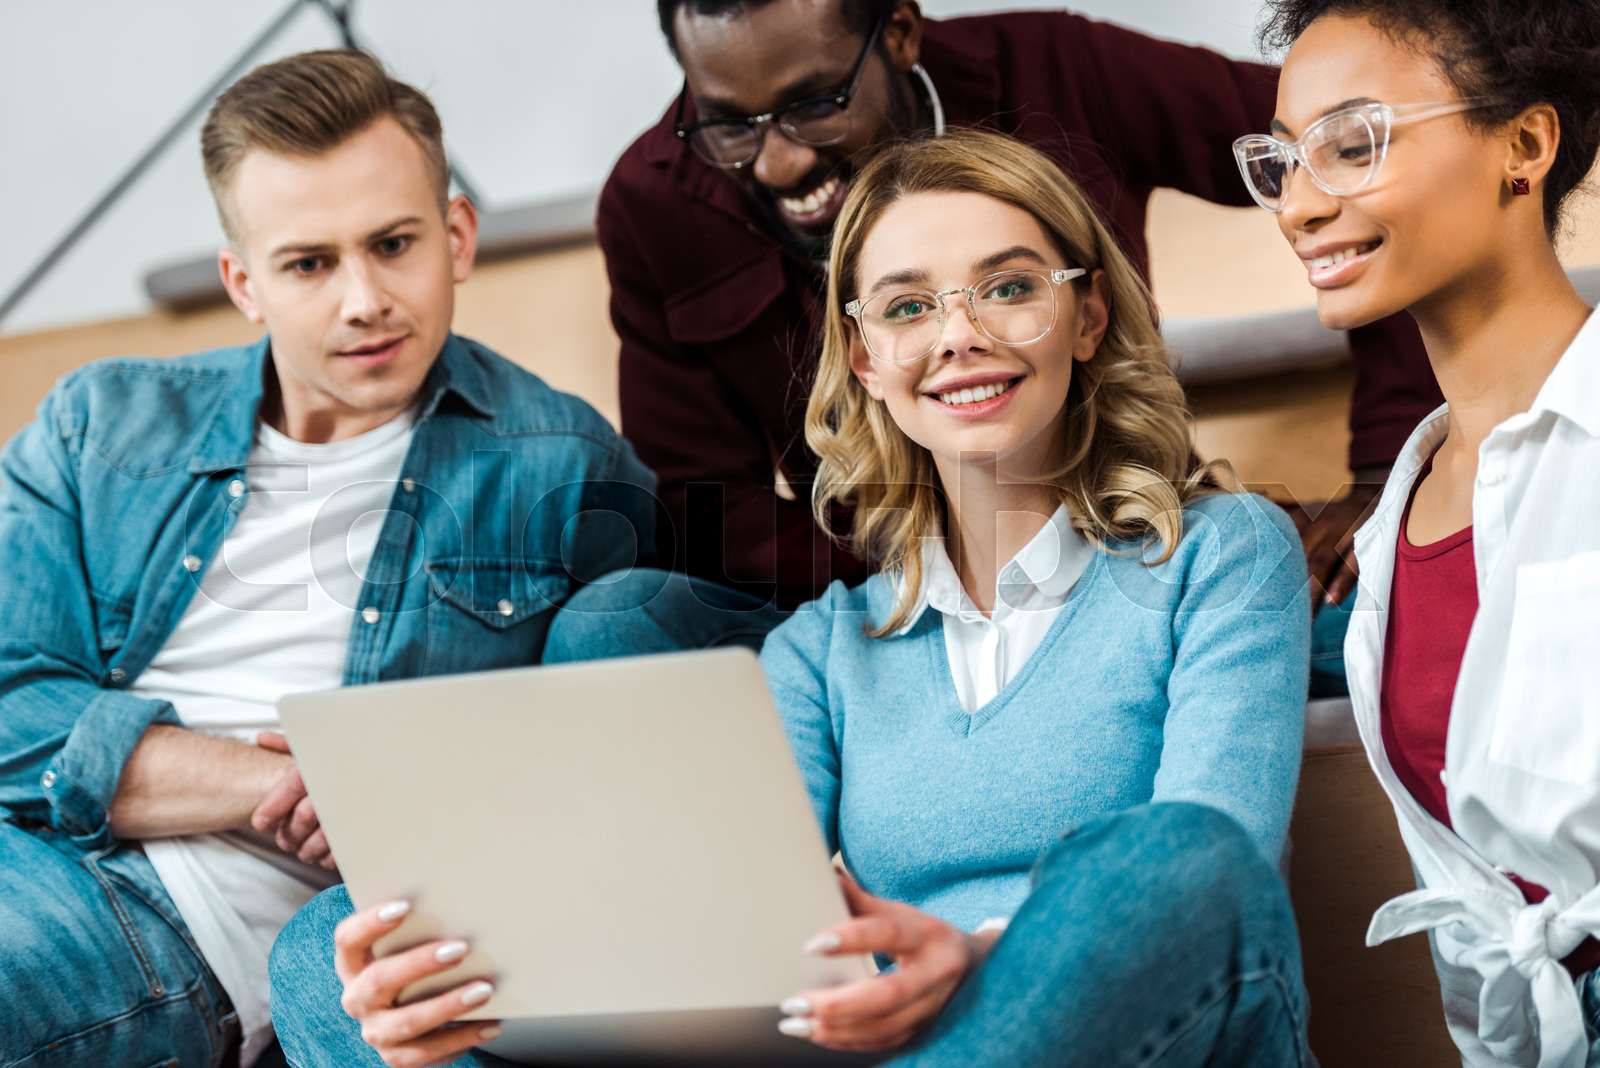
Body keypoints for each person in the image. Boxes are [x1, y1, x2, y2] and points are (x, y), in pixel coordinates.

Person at [268, 128, 1313, 1068]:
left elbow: (1216, 870)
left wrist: (976, 957)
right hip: (872, 1053)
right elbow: (731, 946)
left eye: (1006, 288)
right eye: (907, 306)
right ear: (862, 360)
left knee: (1166, 856)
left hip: (1124, 1037)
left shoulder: (1218, 557)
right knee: (335, 950)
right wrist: (462, 999)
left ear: (1086, 316)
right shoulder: (823, 651)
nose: (957, 335)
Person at [0, 50, 654, 1067]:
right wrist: (308, 777)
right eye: (309, 263)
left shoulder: (562, 465)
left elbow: (627, 748)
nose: (365, 300)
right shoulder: (102, 422)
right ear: (243, 283)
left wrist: (407, 797)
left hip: (173, 922)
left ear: (457, 236)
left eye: (394, 244)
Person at [578, 0, 1441, 655]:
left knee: (1385, 624)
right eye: (728, 122)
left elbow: (1351, 156)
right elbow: (711, 512)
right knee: (618, 624)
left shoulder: (1065, 70)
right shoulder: (654, 203)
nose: (778, 160)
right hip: (876, 596)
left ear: (902, 32)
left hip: (1130, 554)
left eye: (816, 104)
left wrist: (1382, 475)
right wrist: (935, 589)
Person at [1245, 2, 1600, 1063]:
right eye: (1280, 162)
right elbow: (1480, 908)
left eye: (1352, 146)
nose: (1300, 208)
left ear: (1523, 147)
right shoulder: (1398, 507)